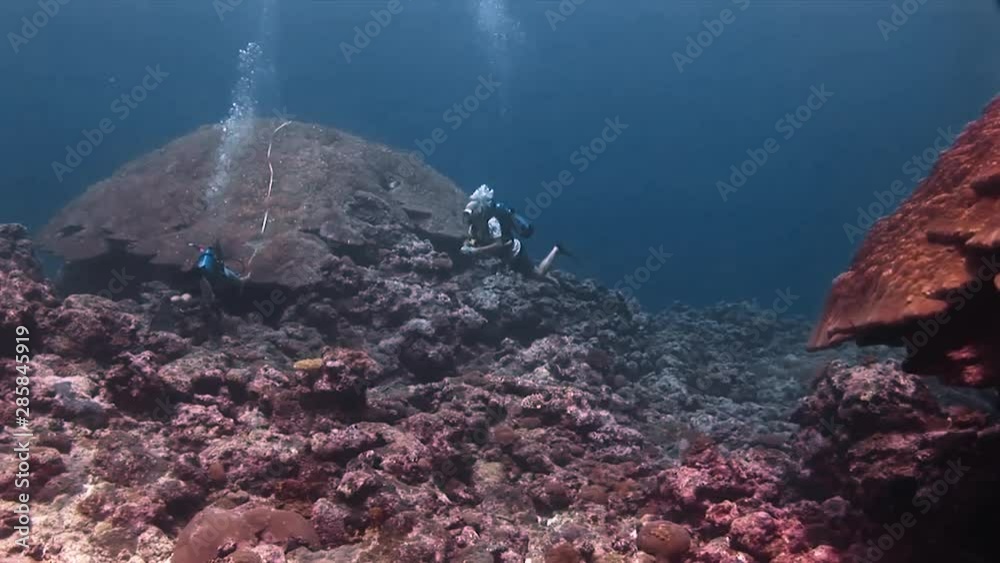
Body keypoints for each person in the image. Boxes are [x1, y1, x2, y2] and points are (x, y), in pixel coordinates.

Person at [460, 185, 563, 277]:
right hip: (502, 256)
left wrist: (476, 251)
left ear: (480, 211)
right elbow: (473, 238)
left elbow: (498, 244)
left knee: (537, 274)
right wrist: (468, 245)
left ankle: (556, 249)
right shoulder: (474, 225)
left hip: (515, 253)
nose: (469, 218)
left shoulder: (492, 222)